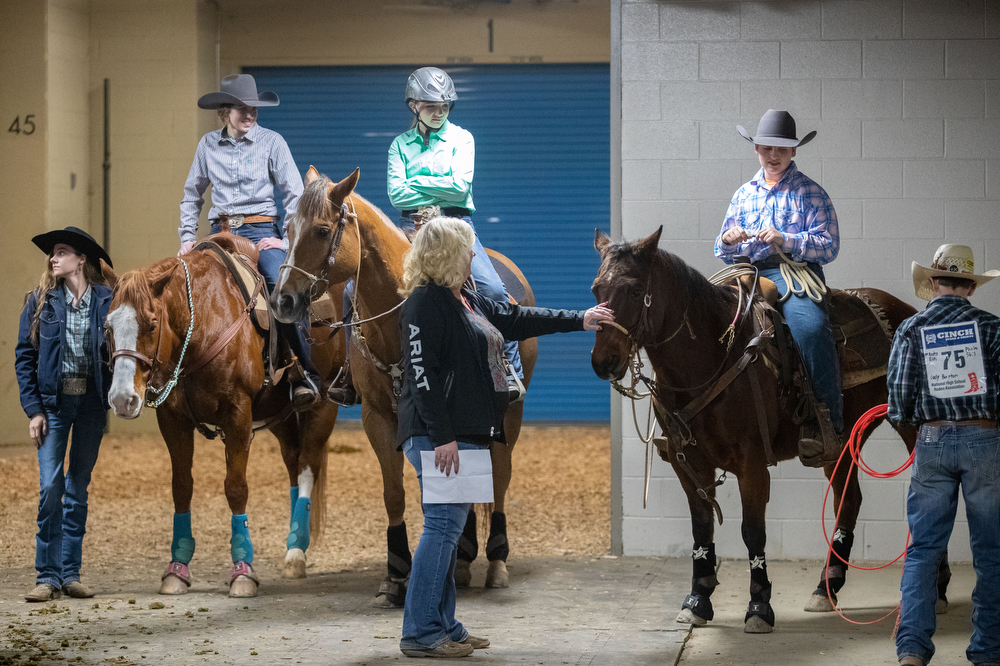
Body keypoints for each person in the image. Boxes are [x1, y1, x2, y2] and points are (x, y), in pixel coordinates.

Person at [395, 217, 613, 658]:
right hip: (438, 437)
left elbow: (517, 318)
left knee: (450, 530)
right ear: (445, 255)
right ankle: (419, 633)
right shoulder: (422, 305)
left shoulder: (468, 297)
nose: (474, 255)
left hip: (466, 432)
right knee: (440, 529)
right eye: (467, 249)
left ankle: (445, 625)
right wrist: (442, 439)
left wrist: (580, 319)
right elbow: (423, 379)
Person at [327, 67, 522, 407]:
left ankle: (508, 366)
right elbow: (397, 197)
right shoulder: (399, 145)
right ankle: (349, 371)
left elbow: (460, 189)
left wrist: (416, 184)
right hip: (411, 227)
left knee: (492, 288)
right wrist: (438, 186)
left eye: (444, 105)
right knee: (349, 291)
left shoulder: (463, 139)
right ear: (413, 105)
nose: (439, 111)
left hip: (457, 227)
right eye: (431, 105)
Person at [180, 73, 320, 410]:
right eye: (242, 109)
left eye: (254, 109)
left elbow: (296, 195)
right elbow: (191, 197)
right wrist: (187, 238)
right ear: (225, 111)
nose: (250, 115)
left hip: (260, 234)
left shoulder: (272, 142)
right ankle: (181, 377)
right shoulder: (207, 145)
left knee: (280, 289)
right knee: (185, 286)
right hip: (219, 233)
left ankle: (302, 370)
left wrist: (284, 241)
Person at [889, 245, 1000, 666]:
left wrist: (918, 415)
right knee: (991, 551)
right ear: (971, 286)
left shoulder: (911, 328)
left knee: (923, 549)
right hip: (984, 441)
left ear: (933, 283)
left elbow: (898, 399)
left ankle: (913, 651)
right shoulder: (992, 328)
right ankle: (988, 652)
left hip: (932, 441)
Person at [714, 108, 842, 467]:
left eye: (782, 149)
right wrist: (729, 237)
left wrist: (787, 239)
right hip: (747, 272)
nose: (773, 155)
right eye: (767, 148)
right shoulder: (743, 195)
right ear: (756, 148)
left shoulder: (810, 193)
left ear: (794, 152)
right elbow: (721, 248)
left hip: (795, 271)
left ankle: (826, 422)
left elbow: (829, 245)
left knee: (811, 328)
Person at [14, 227, 114, 602]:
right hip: (53, 408)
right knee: (50, 488)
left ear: (81, 259)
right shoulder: (40, 302)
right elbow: (25, 358)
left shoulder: (108, 300)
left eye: (61, 252)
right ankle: (46, 575)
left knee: (77, 488)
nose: (53, 259)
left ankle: (69, 573)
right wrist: (34, 410)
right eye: (52, 254)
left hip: (91, 405)